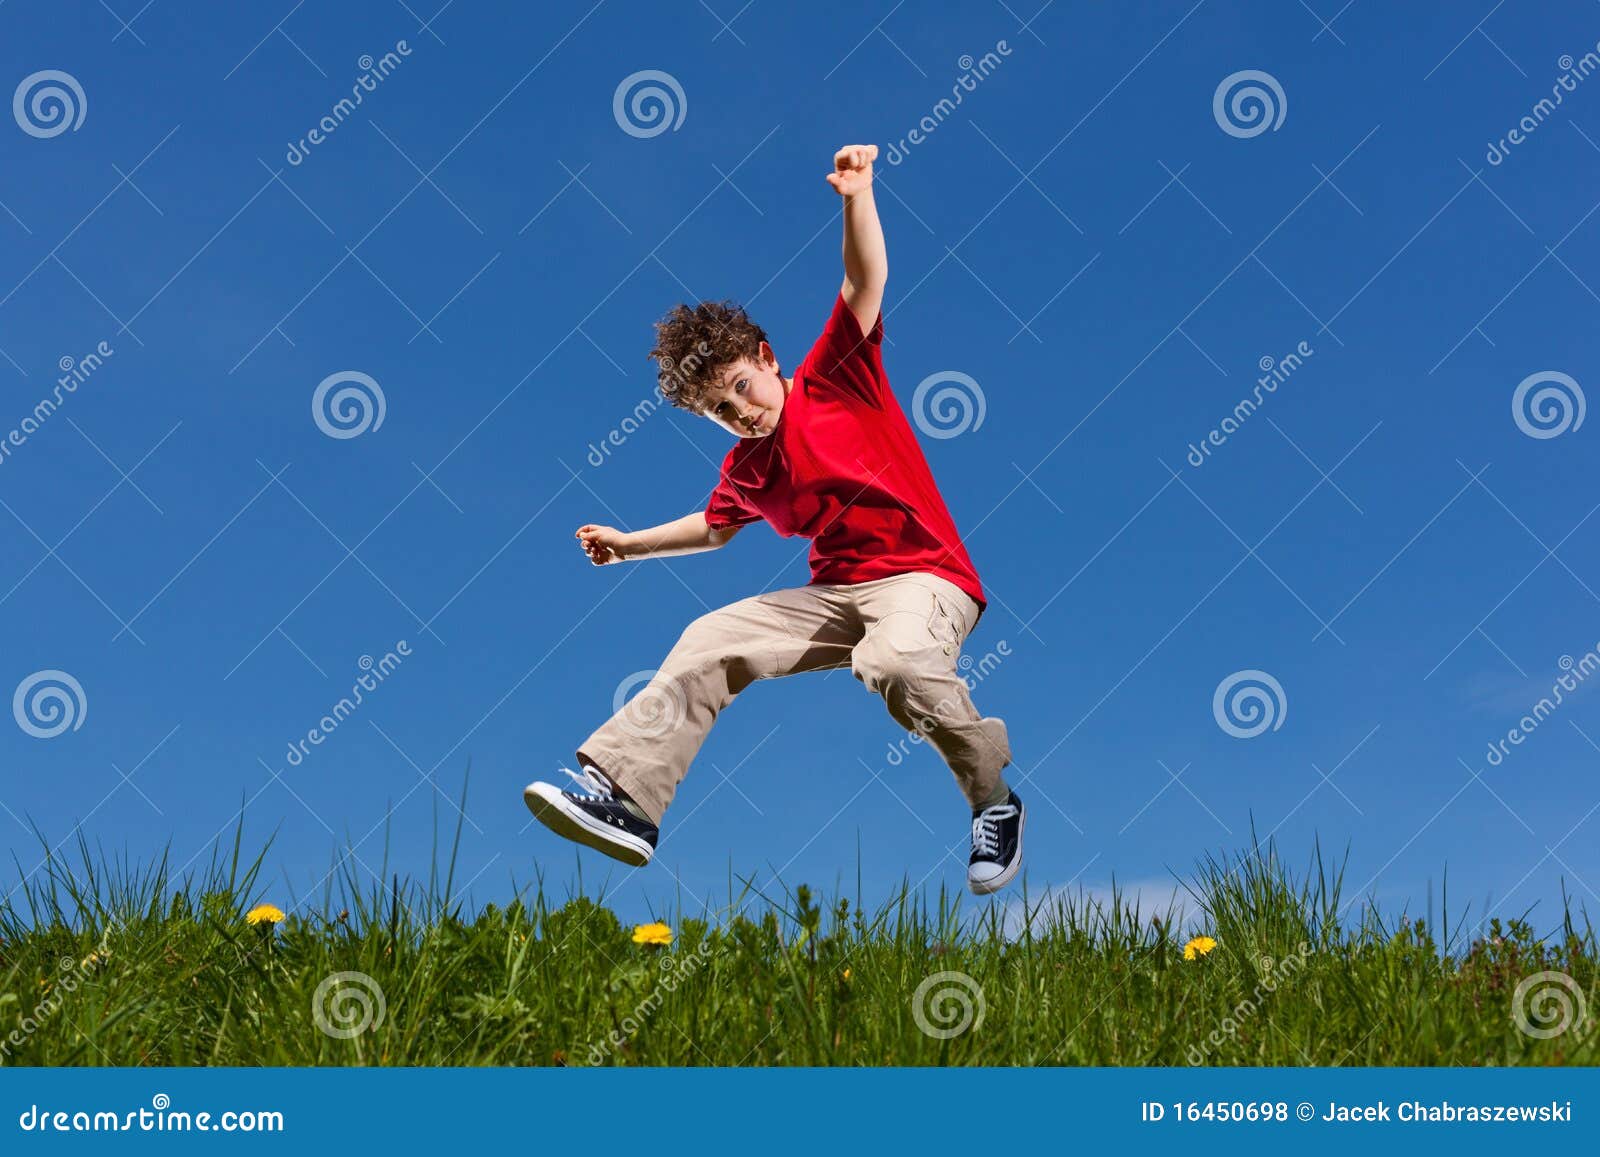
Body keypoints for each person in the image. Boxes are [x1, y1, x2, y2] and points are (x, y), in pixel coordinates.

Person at [523, 144, 1023, 894]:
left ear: (767, 357)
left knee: (890, 665)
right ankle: (626, 797)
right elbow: (715, 526)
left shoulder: (836, 377)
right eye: (720, 412)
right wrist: (629, 546)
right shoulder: (745, 468)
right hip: (837, 596)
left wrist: (858, 194)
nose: (741, 414)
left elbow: (863, 279)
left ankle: (994, 800)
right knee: (709, 637)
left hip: (925, 578)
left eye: (742, 388)